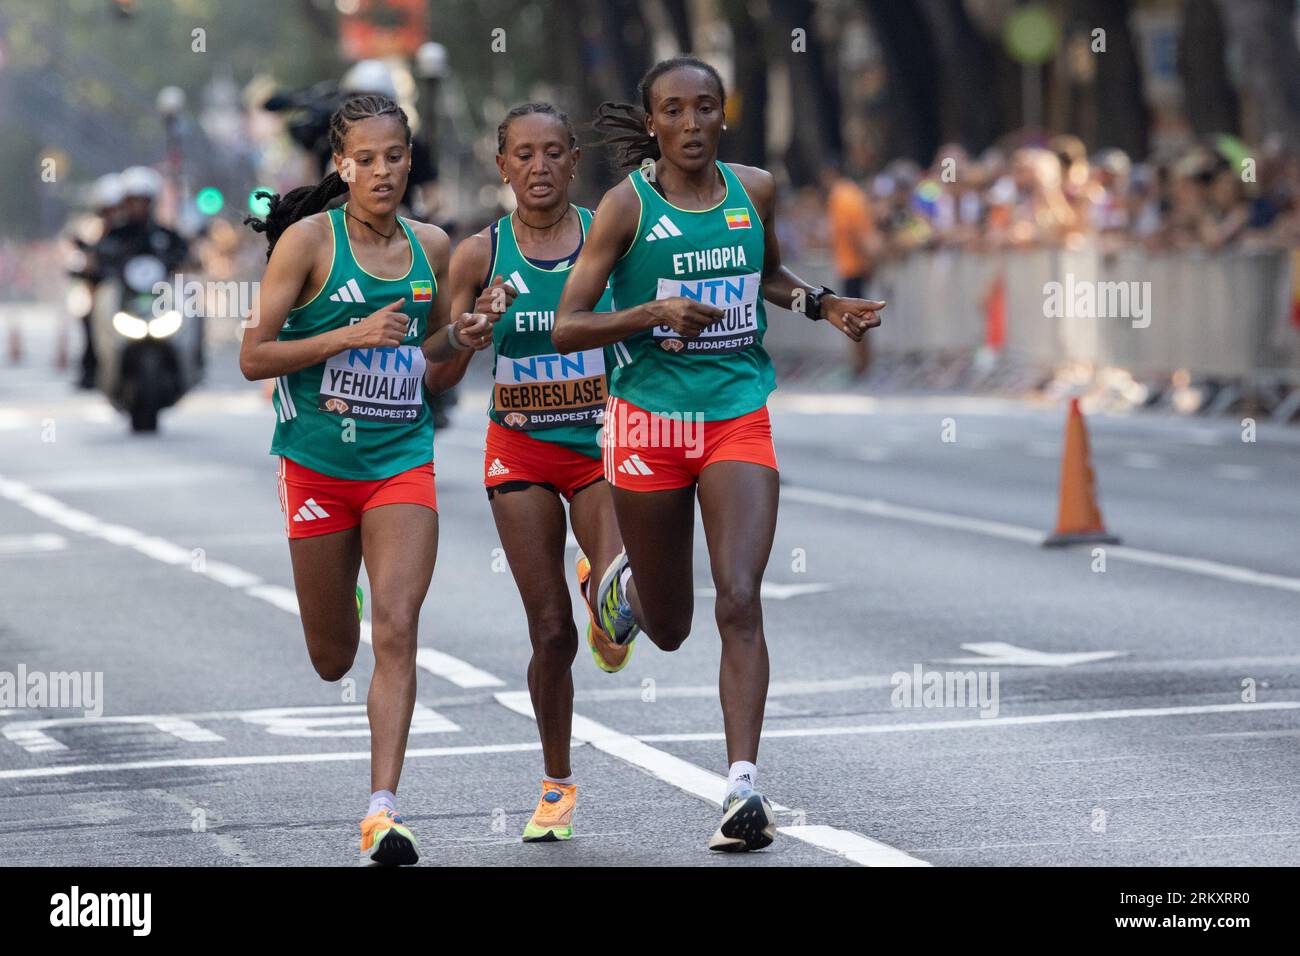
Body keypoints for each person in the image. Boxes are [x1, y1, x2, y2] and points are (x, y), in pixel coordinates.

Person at [553, 56, 884, 852]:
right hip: (649, 427)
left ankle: (743, 787)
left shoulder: (754, 190)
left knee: (739, 596)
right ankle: (617, 588)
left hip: (737, 414)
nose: (693, 124)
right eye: (675, 110)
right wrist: (651, 311)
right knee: (669, 628)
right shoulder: (624, 210)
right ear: (654, 123)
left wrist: (822, 302)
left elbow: (764, 274)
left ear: (722, 116)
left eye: (706, 108)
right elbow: (567, 325)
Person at [240, 92, 492, 865]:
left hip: (398, 462)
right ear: (341, 166)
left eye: (395, 157)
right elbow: (253, 356)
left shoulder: (433, 247)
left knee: (399, 626)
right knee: (332, 658)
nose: (383, 172)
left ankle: (383, 811)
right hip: (317, 461)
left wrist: (469, 337)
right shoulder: (307, 245)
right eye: (367, 160)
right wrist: (346, 334)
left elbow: (436, 372)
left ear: (408, 161)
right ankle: (339, 585)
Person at [424, 102, 636, 843]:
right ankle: (556, 784)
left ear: (575, 161)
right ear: (502, 166)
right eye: (524, 154)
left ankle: (601, 584)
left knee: (615, 623)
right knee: (551, 635)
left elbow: (641, 327)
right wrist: (467, 331)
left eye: (553, 153)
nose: (539, 167)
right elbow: (440, 373)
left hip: (602, 445)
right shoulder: (478, 254)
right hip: (519, 450)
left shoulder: (609, 238)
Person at [820, 161, 878, 378]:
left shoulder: (841, 196)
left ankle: (861, 365)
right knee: (859, 315)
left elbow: (852, 232)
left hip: (851, 266)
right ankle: (862, 364)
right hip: (854, 265)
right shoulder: (854, 194)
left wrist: (864, 261)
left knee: (853, 317)